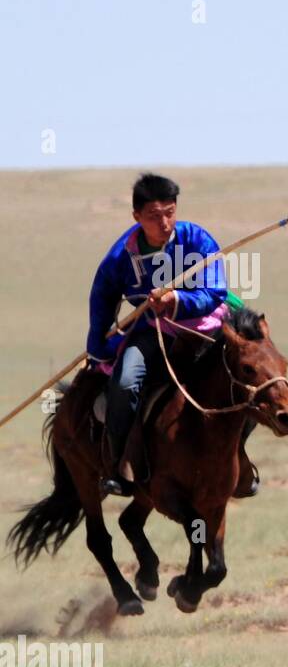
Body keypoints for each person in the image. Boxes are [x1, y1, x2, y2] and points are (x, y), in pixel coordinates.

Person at [87, 173, 227, 495]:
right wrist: (98, 348)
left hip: (205, 325)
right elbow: (102, 300)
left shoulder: (198, 241)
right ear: (137, 217)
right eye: (153, 215)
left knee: (250, 367)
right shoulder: (120, 257)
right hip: (151, 329)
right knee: (124, 381)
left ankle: (242, 464)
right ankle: (116, 467)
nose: (164, 222)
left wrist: (177, 300)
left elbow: (215, 291)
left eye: (170, 212)